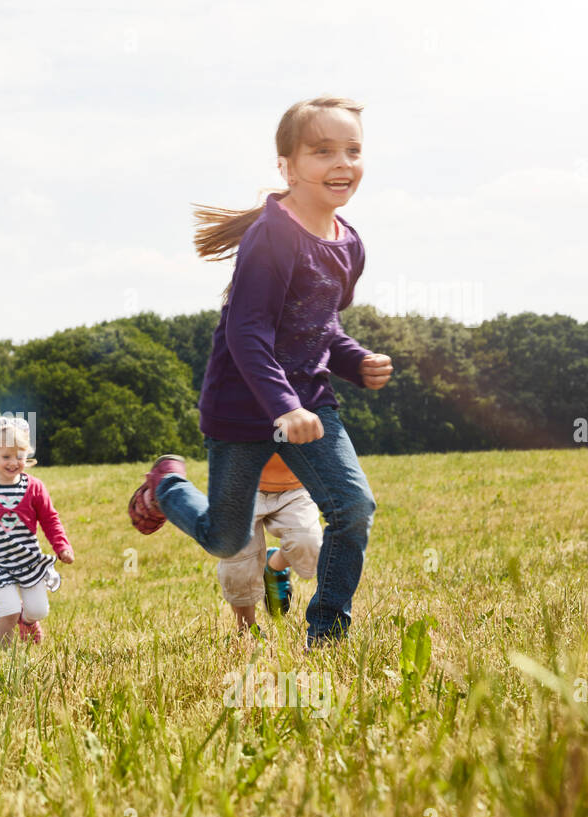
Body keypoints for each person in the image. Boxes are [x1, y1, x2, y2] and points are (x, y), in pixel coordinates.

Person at [128, 95, 393, 646]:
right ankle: (168, 487)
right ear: (288, 167)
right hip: (243, 410)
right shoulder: (271, 236)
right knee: (226, 539)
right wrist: (283, 407)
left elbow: (320, 328)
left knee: (354, 508)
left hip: (309, 405)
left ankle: (326, 633)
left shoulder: (350, 244)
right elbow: (248, 333)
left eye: (353, 150)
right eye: (323, 152)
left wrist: (354, 360)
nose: (342, 163)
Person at [0, 417, 73, 647]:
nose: (13, 462)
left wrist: (62, 546)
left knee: (39, 610)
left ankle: (27, 621)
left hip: (29, 559)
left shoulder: (35, 487)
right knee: (8, 611)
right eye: (6, 456)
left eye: (19, 456)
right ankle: (4, 659)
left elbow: (50, 519)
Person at [216, 454, 322, 633]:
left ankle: (273, 565)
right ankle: (247, 630)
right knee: (237, 566)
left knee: (308, 542)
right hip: (240, 485)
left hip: (293, 485)